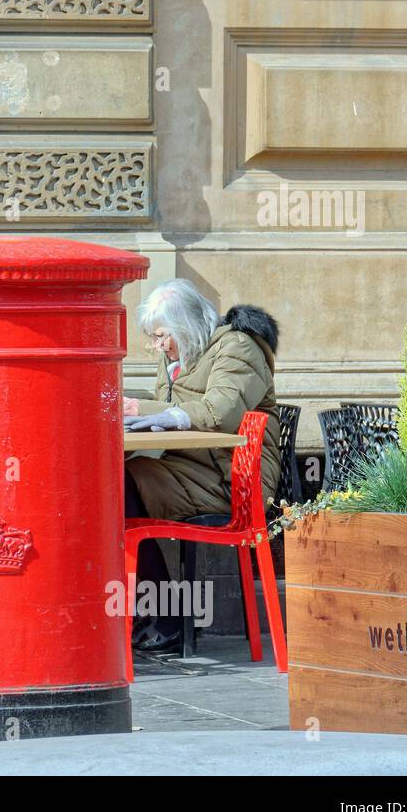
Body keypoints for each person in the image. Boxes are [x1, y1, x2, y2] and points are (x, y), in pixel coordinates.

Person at [121, 279, 281, 652]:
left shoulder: (238, 348)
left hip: (233, 478)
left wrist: (140, 409)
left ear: (186, 327)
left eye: (163, 336)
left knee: (122, 488)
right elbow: (167, 407)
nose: (159, 346)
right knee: (114, 482)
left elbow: (221, 412)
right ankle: (155, 613)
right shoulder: (177, 357)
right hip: (191, 467)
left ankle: (166, 618)